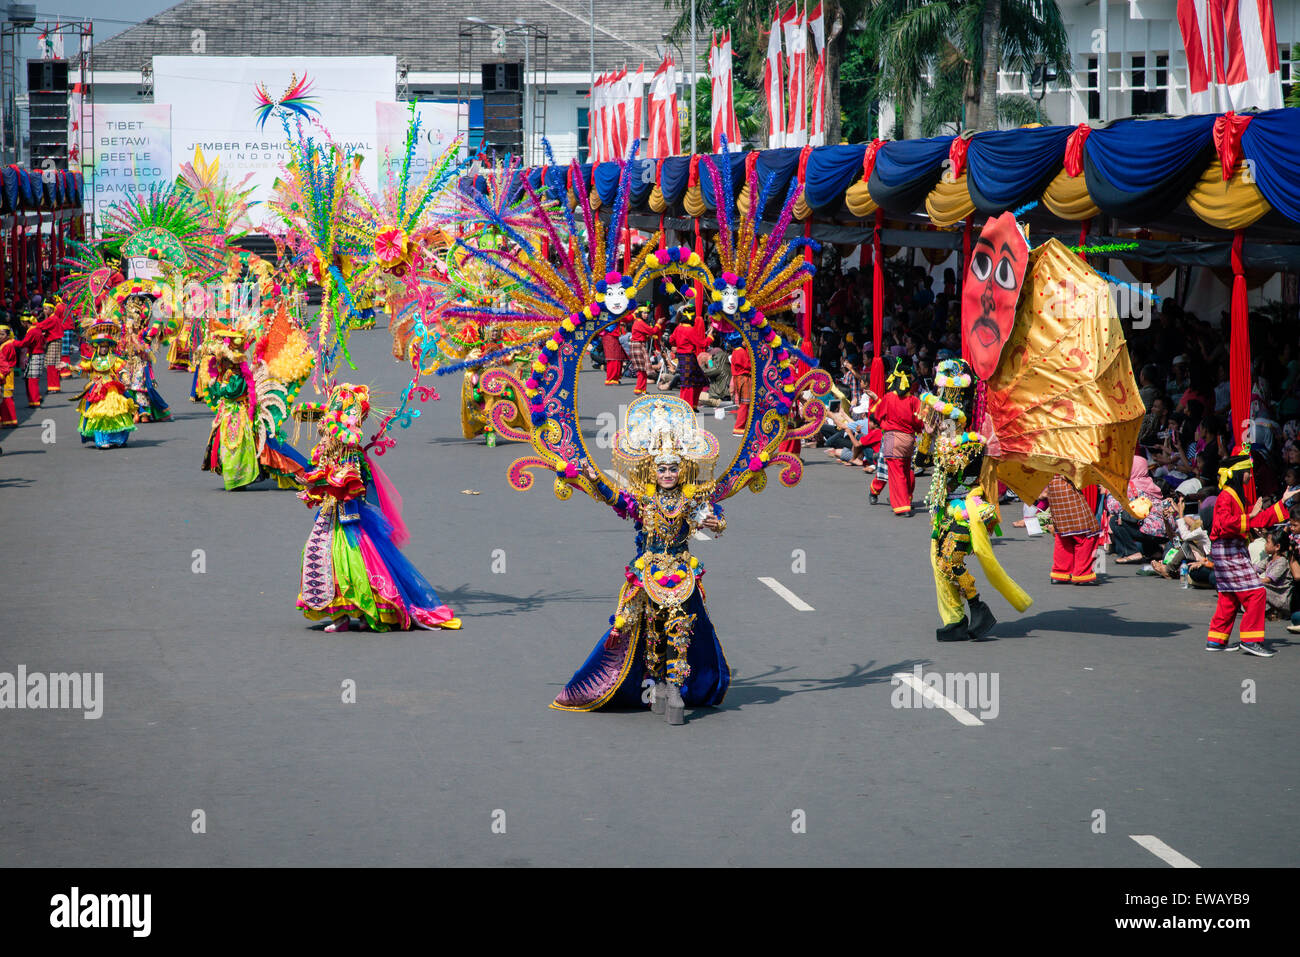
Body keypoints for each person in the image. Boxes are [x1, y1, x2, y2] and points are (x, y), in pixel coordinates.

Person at [556, 395, 730, 724]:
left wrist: (714, 521)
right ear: (652, 469)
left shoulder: (691, 499)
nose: (667, 473)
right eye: (661, 468)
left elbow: (716, 515)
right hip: (648, 573)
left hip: (682, 574)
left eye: (673, 468)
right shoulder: (644, 500)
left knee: (681, 628)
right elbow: (616, 499)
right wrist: (594, 480)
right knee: (651, 631)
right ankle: (655, 686)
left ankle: (676, 689)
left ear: (683, 469)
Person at [297, 383, 461, 633]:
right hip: (331, 511)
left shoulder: (350, 447)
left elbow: (347, 478)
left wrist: (320, 479)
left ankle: (365, 613)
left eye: (339, 411)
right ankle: (341, 616)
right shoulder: (329, 445)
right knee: (320, 554)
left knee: (351, 559)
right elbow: (322, 465)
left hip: (348, 512)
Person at [924, 359, 1032, 641]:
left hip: (966, 509)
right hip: (944, 512)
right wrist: (926, 435)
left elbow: (952, 470)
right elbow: (921, 461)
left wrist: (942, 445)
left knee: (950, 560)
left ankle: (977, 607)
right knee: (940, 563)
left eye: (945, 421)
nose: (942, 426)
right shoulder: (944, 441)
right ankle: (956, 619)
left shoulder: (973, 445)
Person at [1205, 450, 1296, 655]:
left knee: (1229, 596)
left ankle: (1216, 640)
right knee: (1256, 592)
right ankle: (1250, 639)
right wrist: (1250, 518)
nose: (1249, 476)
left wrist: (1275, 506)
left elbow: (1247, 521)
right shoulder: (1227, 496)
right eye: (1248, 472)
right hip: (1229, 549)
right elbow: (1225, 524)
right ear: (1238, 473)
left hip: (1228, 548)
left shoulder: (1232, 495)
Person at [71, 319, 136, 449]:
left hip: (112, 388)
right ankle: (101, 440)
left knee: (117, 412)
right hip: (96, 389)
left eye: (106, 346)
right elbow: (82, 369)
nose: (104, 349)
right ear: (97, 347)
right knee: (97, 414)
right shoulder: (92, 359)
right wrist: (67, 366)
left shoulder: (114, 359)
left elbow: (122, 370)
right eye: (102, 346)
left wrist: (126, 379)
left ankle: (117, 439)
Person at [871, 358, 923, 515]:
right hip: (909, 440)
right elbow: (919, 423)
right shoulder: (914, 400)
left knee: (896, 474)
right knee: (907, 471)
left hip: (892, 439)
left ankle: (902, 506)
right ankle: (907, 497)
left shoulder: (888, 398)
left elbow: (878, 416)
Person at [1045, 474, 1102, 585]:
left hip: (1054, 487)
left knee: (1063, 534)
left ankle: (1060, 573)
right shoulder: (1070, 456)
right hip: (1068, 488)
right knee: (1087, 534)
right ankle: (1082, 574)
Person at [669, 304, 709, 411]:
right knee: (689, 383)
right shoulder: (690, 330)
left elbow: (671, 340)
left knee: (698, 380)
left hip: (683, 357)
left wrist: (678, 345)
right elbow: (702, 344)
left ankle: (692, 405)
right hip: (689, 357)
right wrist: (710, 336)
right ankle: (688, 407)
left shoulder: (678, 328)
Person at [627, 304, 661, 396]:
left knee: (643, 369)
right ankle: (639, 389)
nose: (646, 315)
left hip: (638, 345)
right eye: (644, 313)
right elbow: (653, 331)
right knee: (642, 369)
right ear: (640, 313)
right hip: (638, 346)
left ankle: (642, 389)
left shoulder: (638, 322)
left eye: (647, 313)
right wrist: (658, 324)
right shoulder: (639, 322)